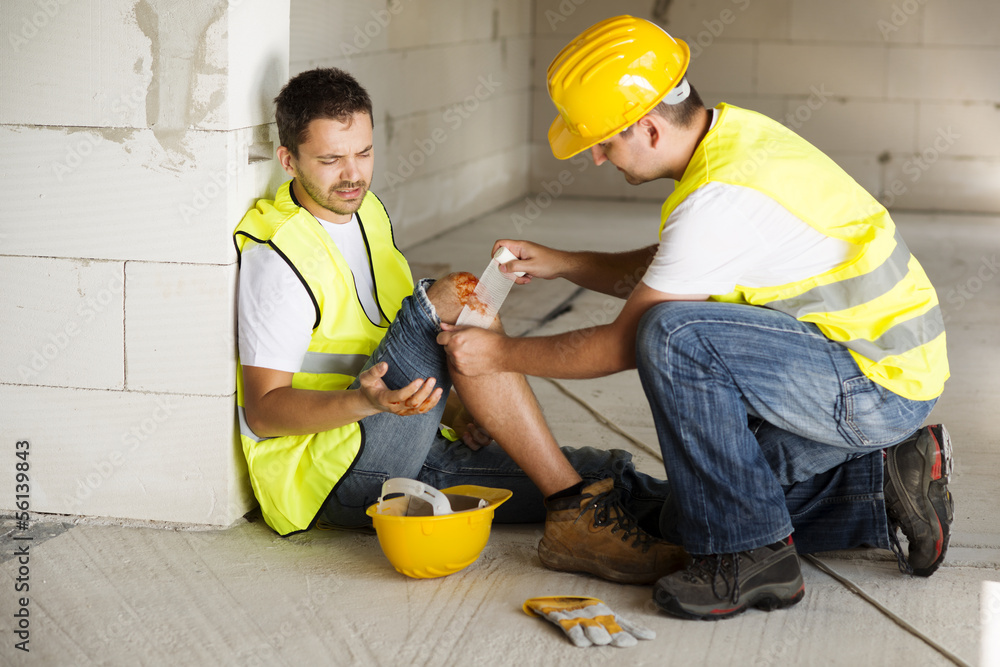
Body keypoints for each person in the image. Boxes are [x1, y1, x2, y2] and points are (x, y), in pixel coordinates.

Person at [437, 15, 954, 620]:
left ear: (649, 129)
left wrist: (498, 354)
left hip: (872, 387)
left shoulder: (717, 199)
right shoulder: (734, 138)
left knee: (672, 338)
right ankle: (884, 483)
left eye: (602, 141)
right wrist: (567, 263)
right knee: (684, 519)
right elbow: (682, 268)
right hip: (864, 363)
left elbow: (619, 346)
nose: (599, 158)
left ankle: (750, 556)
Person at [232, 66, 689, 585]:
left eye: (363, 153)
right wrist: (366, 403)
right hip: (336, 478)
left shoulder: (366, 213)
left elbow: (368, 337)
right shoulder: (280, 258)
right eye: (331, 160)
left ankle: (735, 522)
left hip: (402, 450)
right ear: (289, 160)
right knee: (447, 295)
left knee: (599, 475)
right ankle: (575, 508)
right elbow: (265, 413)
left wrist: (451, 408)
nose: (352, 174)